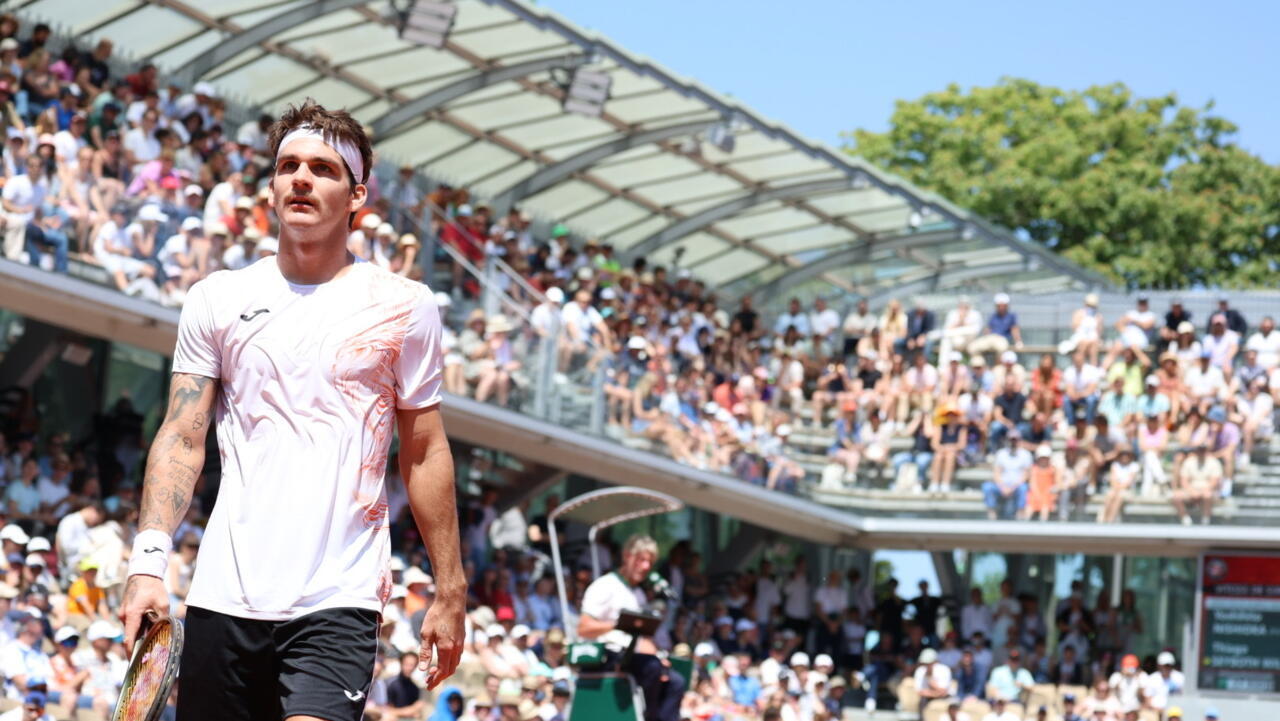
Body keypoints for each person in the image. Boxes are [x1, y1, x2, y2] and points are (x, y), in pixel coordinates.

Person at [119, 101, 467, 721]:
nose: (301, 178)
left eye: (323, 169)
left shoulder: (405, 308)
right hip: (222, 594)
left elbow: (423, 450)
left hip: (339, 598)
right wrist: (148, 564)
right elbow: (182, 434)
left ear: (357, 195)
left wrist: (451, 587)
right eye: (288, 166)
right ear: (273, 185)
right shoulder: (218, 299)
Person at [577, 534, 684, 721]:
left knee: (676, 681)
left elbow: (644, 637)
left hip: (634, 656)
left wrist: (660, 657)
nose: (645, 567)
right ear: (627, 556)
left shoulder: (638, 595)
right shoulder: (605, 585)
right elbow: (584, 627)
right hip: (607, 655)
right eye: (641, 560)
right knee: (652, 668)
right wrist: (617, 625)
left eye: (650, 562)